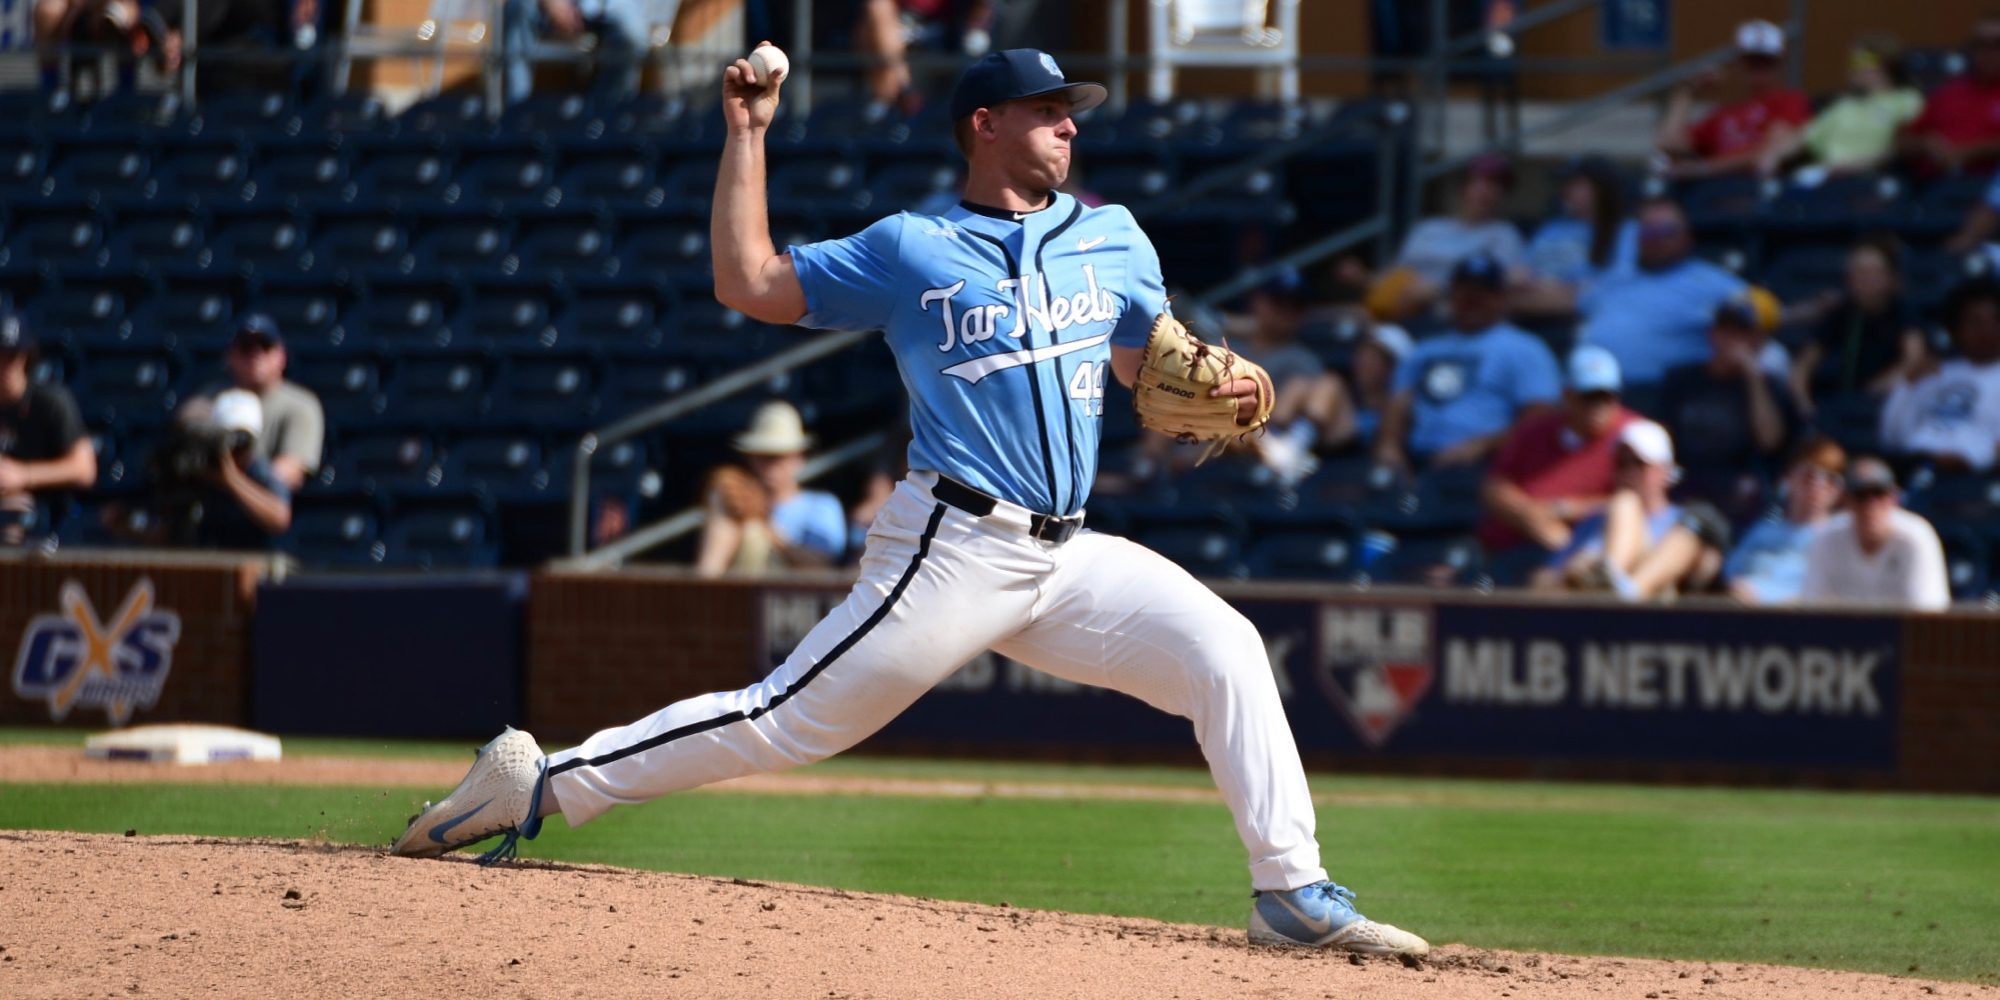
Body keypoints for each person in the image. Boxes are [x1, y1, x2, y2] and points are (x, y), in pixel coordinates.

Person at [392, 46, 1430, 957]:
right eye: (1047, 107)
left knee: (1226, 650)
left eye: (1072, 107)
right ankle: (538, 782)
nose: (1070, 121)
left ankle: (1290, 891)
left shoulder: (1115, 237)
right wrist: (746, 134)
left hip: (1067, 558)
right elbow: (747, 281)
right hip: (953, 545)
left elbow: (1142, 371)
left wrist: (1212, 384)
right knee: (784, 720)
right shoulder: (909, 247)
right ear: (984, 125)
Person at [1374, 253, 1560, 472]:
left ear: (1501, 298)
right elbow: (1399, 403)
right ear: (1452, 296)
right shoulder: (1425, 349)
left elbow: (1540, 418)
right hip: (1419, 465)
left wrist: (1482, 445)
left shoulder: (1526, 348)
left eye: (1482, 294)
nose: (1472, 301)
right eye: (1465, 293)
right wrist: (1389, 445)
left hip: (1488, 466)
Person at [1532, 419, 1730, 600]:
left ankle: (1614, 581)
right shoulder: (1596, 521)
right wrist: (1568, 573)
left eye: (1639, 464)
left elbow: (1707, 572)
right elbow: (1539, 582)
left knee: (1626, 504)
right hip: (1593, 617)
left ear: (1664, 470)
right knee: (1623, 504)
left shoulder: (1686, 522)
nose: (1629, 472)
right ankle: (1608, 581)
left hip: (1654, 621)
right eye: (1621, 463)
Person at [1478, 345, 1638, 558]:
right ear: (1567, 395)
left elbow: (1642, 502)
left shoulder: (1635, 435)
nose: (1599, 406)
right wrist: (1529, 515)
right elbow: (1495, 487)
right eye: (1589, 397)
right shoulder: (1535, 429)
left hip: (1592, 549)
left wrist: (1563, 510)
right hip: (1514, 545)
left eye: (1606, 397)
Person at [1574, 197, 1747, 385]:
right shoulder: (1617, 276)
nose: (1656, 239)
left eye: (1666, 231)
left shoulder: (1710, 281)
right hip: (1590, 388)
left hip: (1658, 392)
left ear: (1687, 236)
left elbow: (1766, 311)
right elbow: (1576, 300)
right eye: (1648, 232)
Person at [1220, 270, 1351, 482]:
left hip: (1265, 443)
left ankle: (1286, 448)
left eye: (1296, 306)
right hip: (1220, 440)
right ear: (1258, 302)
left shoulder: (1303, 358)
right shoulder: (1227, 349)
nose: (1286, 312)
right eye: (1278, 303)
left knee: (1321, 384)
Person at [695, 400, 849, 576]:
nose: (771, 466)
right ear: (750, 458)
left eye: (779, 457)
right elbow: (708, 570)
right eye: (763, 456)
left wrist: (768, 531)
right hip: (741, 595)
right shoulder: (734, 496)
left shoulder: (823, 505)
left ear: (799, 458)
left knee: (755, 536)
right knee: (726, 495)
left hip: (795, 598)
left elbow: (824, 567)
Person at [1366, 154, 1526, 321]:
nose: (1488, 191)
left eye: (1498, 185)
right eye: (1481, 182)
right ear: (1463, 187)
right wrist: (1364, 278)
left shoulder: (1505, 234)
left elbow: (1502, 285)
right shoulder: (1428, 228)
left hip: (1449, 313)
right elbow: (1396, 272)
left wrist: (1438, 289)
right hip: (1398, 302)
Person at [1658, 290, 1800, 475]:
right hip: (1685, 479)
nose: (1729, 337)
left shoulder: (1771, 386)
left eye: (1740, 331)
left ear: (1758, 340)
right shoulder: (1681, 378)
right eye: (1723, 327)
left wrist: (1753, 377)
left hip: (1740, 485)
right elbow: (1662, 438)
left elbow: (1770, 441)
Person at [133, 388, 293, 550]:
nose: (235, 449)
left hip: (248, 561)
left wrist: (230, 480)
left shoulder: (260, 471)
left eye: (243, 441)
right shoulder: (195, 467)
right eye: (229, 438)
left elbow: (279, 519)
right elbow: (167, 532)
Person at [1655, 20, 1810, 180]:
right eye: (1752, 61)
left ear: (1780, 64)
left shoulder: (1790, 101)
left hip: (1754, 187)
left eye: (1766, 61)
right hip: (1713, 191)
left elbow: (1769, 150)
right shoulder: (1724, 113)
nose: (1759, 68)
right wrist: (1687, 91)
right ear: (1739, 63)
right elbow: (1669, 143)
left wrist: (1703, 168)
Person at [1789, 236, 1929, 411]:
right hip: (1838, 405)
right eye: (1857, 272)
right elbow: (1803, 365)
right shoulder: (1840, 314)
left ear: (1891, 278)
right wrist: (1805, 405)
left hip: (1887, 405)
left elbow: (1915, 359)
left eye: (1871, 273)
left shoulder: (1904, 314)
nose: (1862, 279)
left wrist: (1880, 386)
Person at [1879, 277, 2000, 473]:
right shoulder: (1935, 372)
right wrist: (1908, 384)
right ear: (1956, 328)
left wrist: (1972, 460)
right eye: (1975, 321)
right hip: (1913, 467)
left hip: (1971, 480)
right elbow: (1892, 436)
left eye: (1995, 320)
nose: (1986, 331)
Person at [1757, 35, 1921, 178]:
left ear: (1884, 63)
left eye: (1860, 60)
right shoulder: (1843, 106)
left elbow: (1903, 148)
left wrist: (1850, 168)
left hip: (1873, 182)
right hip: (1826, 182)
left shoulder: (1907, 100)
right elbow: (1804, 137)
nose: (1851, 68)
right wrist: (1773, 154)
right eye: (1852, 61)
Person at [1800, 456, 1950, 611]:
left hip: (1905, 633)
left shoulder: (1916, 538)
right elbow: (1813, 610)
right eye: (1861, 496)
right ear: (1847, 500)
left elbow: (1928, 615)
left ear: (1894, 498)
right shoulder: (1826, 539)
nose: (1871, 505)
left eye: (1879, 494)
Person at [200, 314, 324, 494]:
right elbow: (188, 417)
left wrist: (233, 474)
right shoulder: (214, 396)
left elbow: (290, 473)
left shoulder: (301, 404)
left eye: (265, 346)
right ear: (230, 356)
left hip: (262, 506)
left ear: (281, 356)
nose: (256, 355)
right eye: (246, 348)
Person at [0, 313, 95, 546]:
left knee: (15, 507)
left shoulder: (49, 401)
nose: (5, 364)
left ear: (25, 356)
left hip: (44, 508)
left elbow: (84, 468)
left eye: (11, 355)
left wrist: (23, 474)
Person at [1723, 435, 1847, 605]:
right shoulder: (1765, 527)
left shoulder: (1842, 533)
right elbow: (1732, 571)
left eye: (1831, 480)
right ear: (1788, 479)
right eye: (1809, 476)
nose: (1819, 485)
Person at [1900, 14, 2000, 177]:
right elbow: (1904, 139)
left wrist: (1970, 152)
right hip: (1934, 180)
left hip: (1987, 183)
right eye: (1981, 44)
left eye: (1997, 44)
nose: (1989, 51)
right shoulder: (1949, 92)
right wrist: (1924, 144)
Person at [1521, 156, 1636, 293]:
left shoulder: (1625, 230)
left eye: (1576, 184)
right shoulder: (1551, 228)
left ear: (1602, 189)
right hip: (1531, 304)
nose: (1566, 190)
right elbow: (1520, 271)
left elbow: (1619, 282)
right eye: (1565, 183)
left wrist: (1562, 287)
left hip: (1586, 310)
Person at [500, 0, 649, 104]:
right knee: (517, 6)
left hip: (614, 5)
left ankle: (603, 118)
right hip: (554, 6)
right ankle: (517, 111)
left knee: (633, 35)